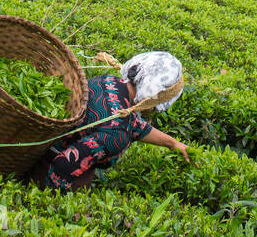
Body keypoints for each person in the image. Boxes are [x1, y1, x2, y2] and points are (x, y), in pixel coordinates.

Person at [29, 50, 189, 192]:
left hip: (43, 145)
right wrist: (52, 204)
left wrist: (172, 143)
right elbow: (64, 166)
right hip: (48, 168)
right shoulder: (117, 134)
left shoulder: (110, 82)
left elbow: (134, 124)